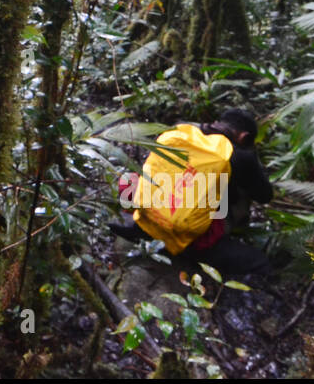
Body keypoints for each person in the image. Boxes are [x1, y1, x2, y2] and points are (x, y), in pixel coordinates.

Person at [109, 108, 273, 277]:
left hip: (146, 218)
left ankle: (140, 225)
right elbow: (265, 195)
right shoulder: (240, 156)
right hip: (190, 241)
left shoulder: (181, 130)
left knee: (133, 177)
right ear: (243, 137)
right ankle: (190, 248)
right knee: (260, 262)